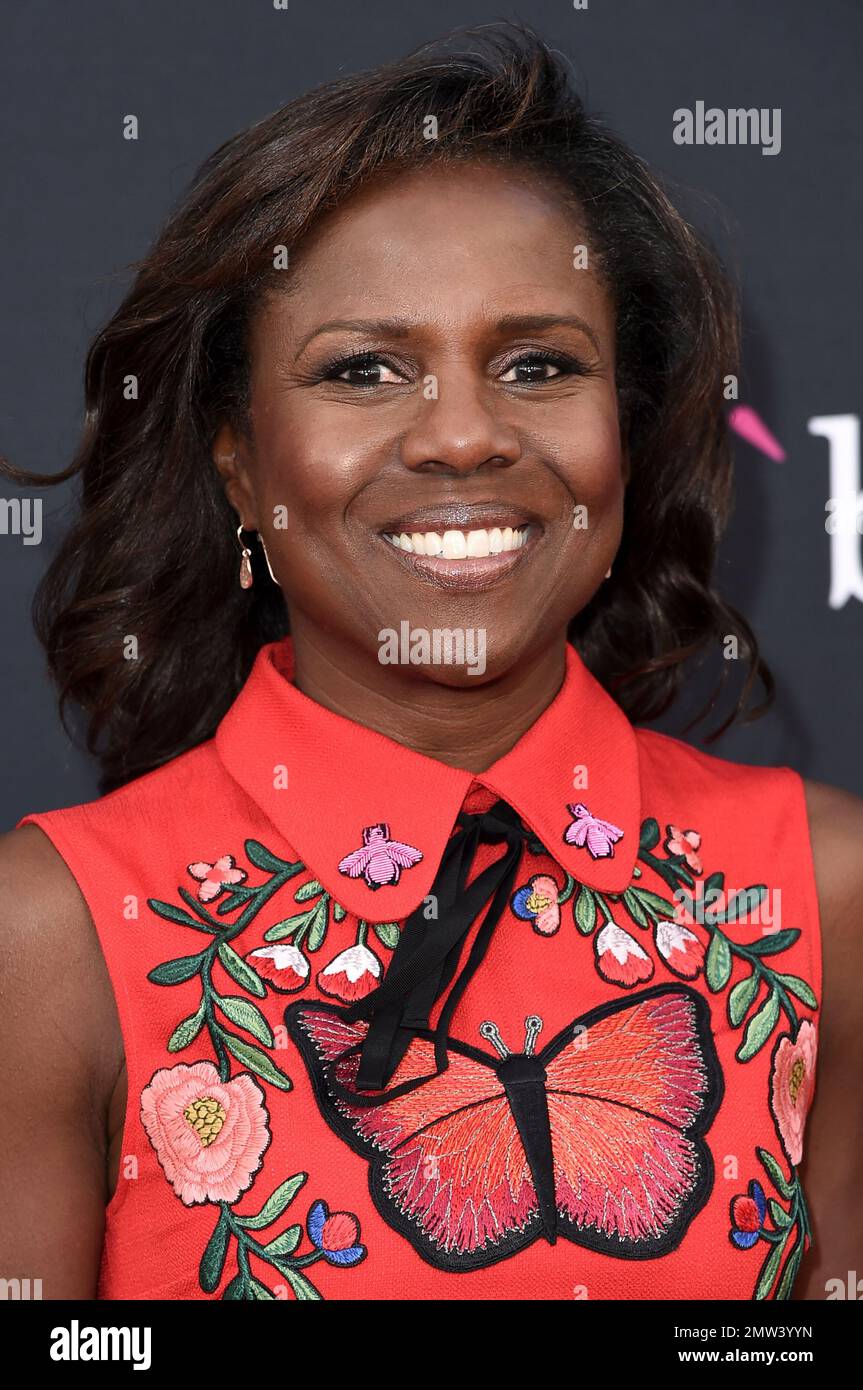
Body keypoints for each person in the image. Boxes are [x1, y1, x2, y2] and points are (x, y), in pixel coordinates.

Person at [1, 22, 860, 1301]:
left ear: (620, 431)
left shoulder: (824, 891)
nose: (463, 435)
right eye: (362, 370)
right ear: (239, 458)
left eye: (537, 364)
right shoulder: (50, 935)